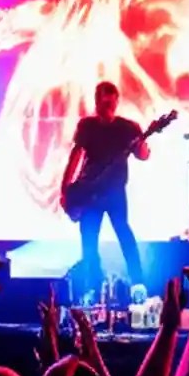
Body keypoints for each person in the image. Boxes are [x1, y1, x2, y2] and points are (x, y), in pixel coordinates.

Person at [60, 81, 148, 294]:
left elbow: (143, 155)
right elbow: (76, 156)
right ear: (96, 101)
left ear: (116, 102)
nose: (106, 104)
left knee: (124, 232)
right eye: (102, 99)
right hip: (90, 192)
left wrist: (141, 141)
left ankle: (138, 282)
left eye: (110, 100)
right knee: (89, 240)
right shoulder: (87, 126)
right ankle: (91, 287)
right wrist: (65, 189)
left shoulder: (127, 127)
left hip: (115, 191)